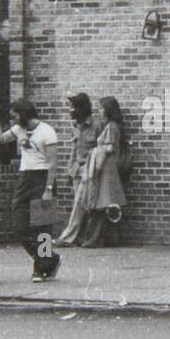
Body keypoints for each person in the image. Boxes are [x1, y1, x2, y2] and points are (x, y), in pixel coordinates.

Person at [0, 98, 62, 281]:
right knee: (18, 225)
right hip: (25, 177)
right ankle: (49, 259)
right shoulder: (18, 130)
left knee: (43, 228)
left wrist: (48, 188)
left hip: (42, 178)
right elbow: (1, 139)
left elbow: (53, 163)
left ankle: (42, 268)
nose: (13, 120)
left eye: (15, 116)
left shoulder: (47, 131)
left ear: (24, 114)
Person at [77, 96, 128, 248]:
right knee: (104, 203)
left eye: (101, 108)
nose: (99, 111)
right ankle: (102, 238)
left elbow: (110, 148)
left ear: (108, 110)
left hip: (107, 167)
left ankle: (95, 239)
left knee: (102, 203)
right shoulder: (110, 126)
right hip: (105, 166)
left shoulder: (111, 126)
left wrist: (96, 151)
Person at [54, 92, 102, 246]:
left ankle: (66, 238)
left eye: (73, 107)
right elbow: (73, 148)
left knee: (78, 202)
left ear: (81, 108)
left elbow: (100, 149)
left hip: (89, 169)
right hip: (77, 168)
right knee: (82, 205)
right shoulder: (75, 126)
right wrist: (70, 169)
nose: (70, 110)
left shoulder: (97, 125)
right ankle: (81, 237)